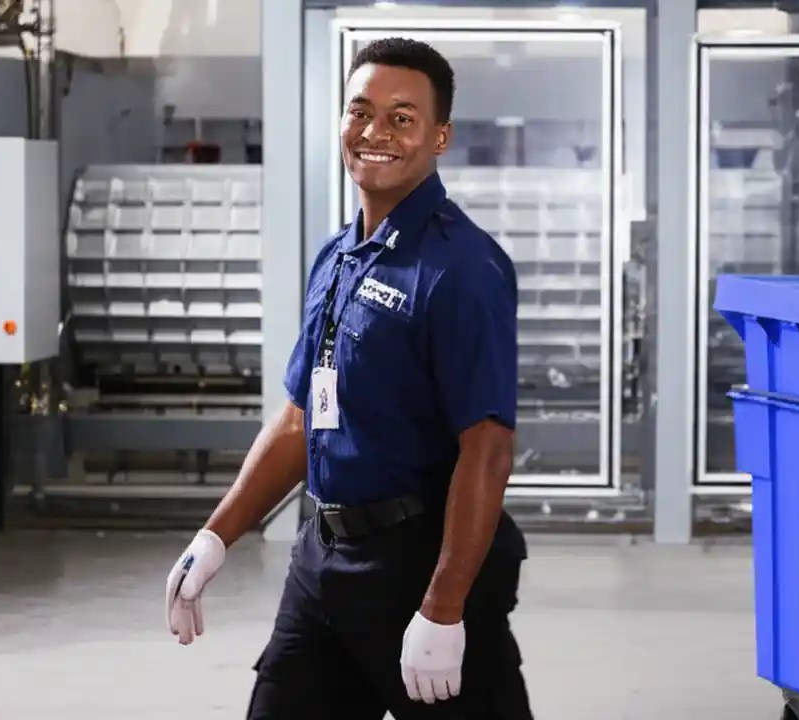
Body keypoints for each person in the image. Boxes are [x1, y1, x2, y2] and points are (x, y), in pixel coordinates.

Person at [163, 37, 533, 719]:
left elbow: (488, 448)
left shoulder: (461, 270)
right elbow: (302, 417)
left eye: (402, 117)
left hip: (422, 566)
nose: (375, 133)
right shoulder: (338, 257)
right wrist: (215, 537)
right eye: (360, 111)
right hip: (324, 562)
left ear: (439, 136)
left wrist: (444, 609)